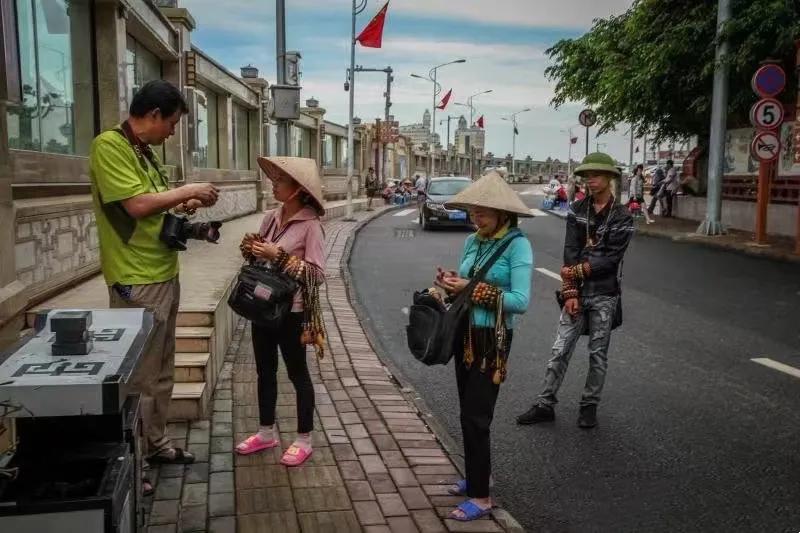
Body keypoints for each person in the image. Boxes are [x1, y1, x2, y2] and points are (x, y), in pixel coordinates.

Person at [90, 80, 221, 494]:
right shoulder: (109, 146)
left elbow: (155, 205)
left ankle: (157, 442)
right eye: (173, 123)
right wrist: (186, 190)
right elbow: (136, 205)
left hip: (163, 272)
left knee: (162, 371)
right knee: (139, 377)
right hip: (135, 279)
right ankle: (133, 462)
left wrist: (184, 206)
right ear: (152, 115)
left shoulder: (142, 152)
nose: (172, 133)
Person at [432, 171, 533, 521]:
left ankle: (482, 496)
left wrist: (469, 290)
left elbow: (520, 300)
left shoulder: (518, 245)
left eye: (484, 212)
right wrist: (449, 283)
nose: (477, 217)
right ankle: (477, 475)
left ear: (504, 214)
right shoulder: (474, 240)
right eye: (474, 211)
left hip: (492, 341)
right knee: (466, 410)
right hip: (465, 333)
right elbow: (465, 281)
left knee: (478, 417)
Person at [517, 152, 634, 429]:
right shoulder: (577, 210)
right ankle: (545, 403)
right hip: (577, 293)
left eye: (596, 175)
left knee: (597, 353)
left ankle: (589, 405)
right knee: (560, 349)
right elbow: (570, 250)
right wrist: (570, 290)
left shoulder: (622, 216)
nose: (590, 181)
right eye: (587, 176)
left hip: (605, 293)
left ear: (609, 178)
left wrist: (575, 271)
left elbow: (610, 260)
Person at [235, 156, 326, 467]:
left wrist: (279, 255)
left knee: (298, 373)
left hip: (293, 312)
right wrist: (254, 249)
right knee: (264, 371)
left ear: (298, 189)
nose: (273, 184)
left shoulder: (311, 225)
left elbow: (316, 274)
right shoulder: (271, 218)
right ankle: (265, 432)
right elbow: (260, 260)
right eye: (273, 179)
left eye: (279, 181)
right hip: (263, 308)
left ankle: (303, 438)